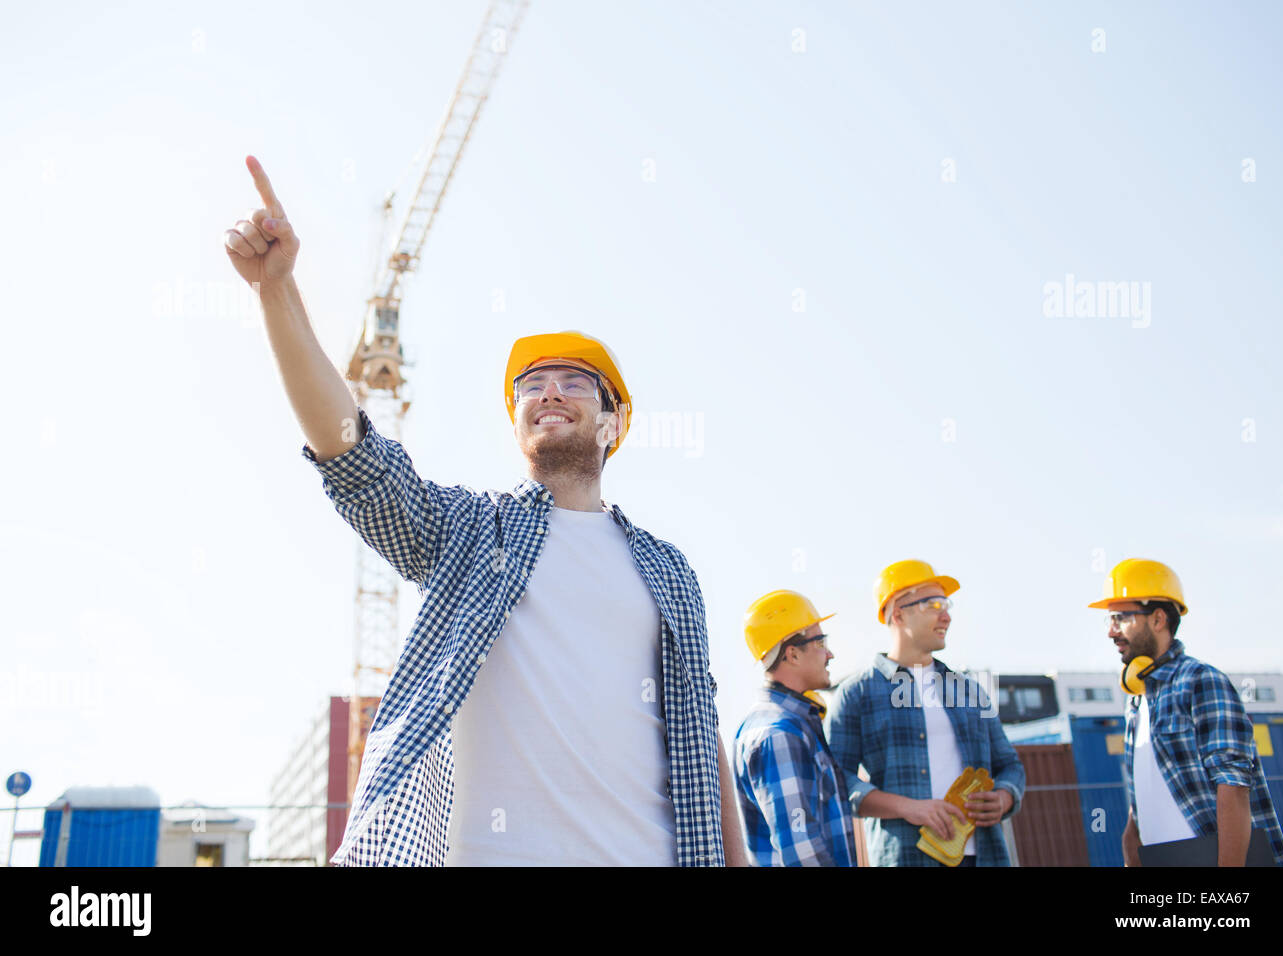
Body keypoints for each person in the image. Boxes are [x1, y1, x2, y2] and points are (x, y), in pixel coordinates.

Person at [223, 155, 742, 866]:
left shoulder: (669, 570)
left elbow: (699, 725)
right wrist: (277, 295)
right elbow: (354, 457)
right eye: (532, 383)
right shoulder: (471, 533)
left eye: (575, 381)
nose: (550, 391)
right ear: (518, 421)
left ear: (615, 424)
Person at [1092, 558, 1283, 867]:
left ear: (1158, 619)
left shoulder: (1200, 681)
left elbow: (1234, 788)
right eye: (1109, 620)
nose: (1111, 631)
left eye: (1121, 617)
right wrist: (1131, 835)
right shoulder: (1136, 702)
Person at [826, 560, 1024, 866]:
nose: (946, 616)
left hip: (985, 856)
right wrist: (909, 807)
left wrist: (1004, 798)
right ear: (898, 613)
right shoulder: (857, 693)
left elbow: (1010, 766)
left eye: (947, 605)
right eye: (933, 604)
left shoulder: (971, 691)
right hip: (906, 857)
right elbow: (837, 782)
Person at [733, 591, 856, 866]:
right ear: (793, 654)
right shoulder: (779, 734)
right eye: (821, 642)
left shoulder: (788, 725)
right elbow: (801, 852)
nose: (830, 654)